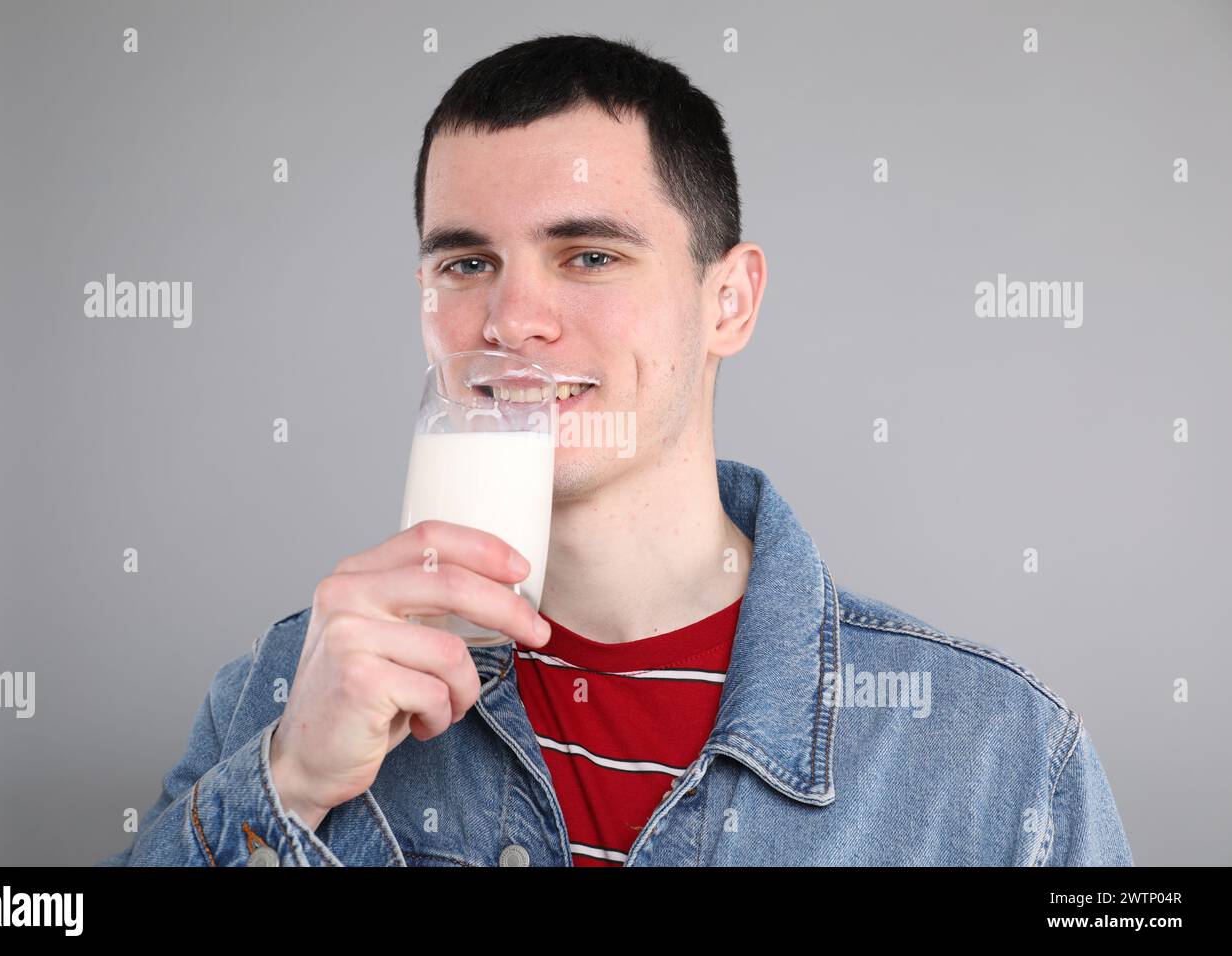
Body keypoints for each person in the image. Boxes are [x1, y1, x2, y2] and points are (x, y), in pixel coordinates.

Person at [100, 33, 1131, 867]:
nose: (511, 318)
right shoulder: (285, 685)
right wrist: (286, 781)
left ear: (727, 300)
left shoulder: (996, 754)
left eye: (588, 253)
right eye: (466, 261)